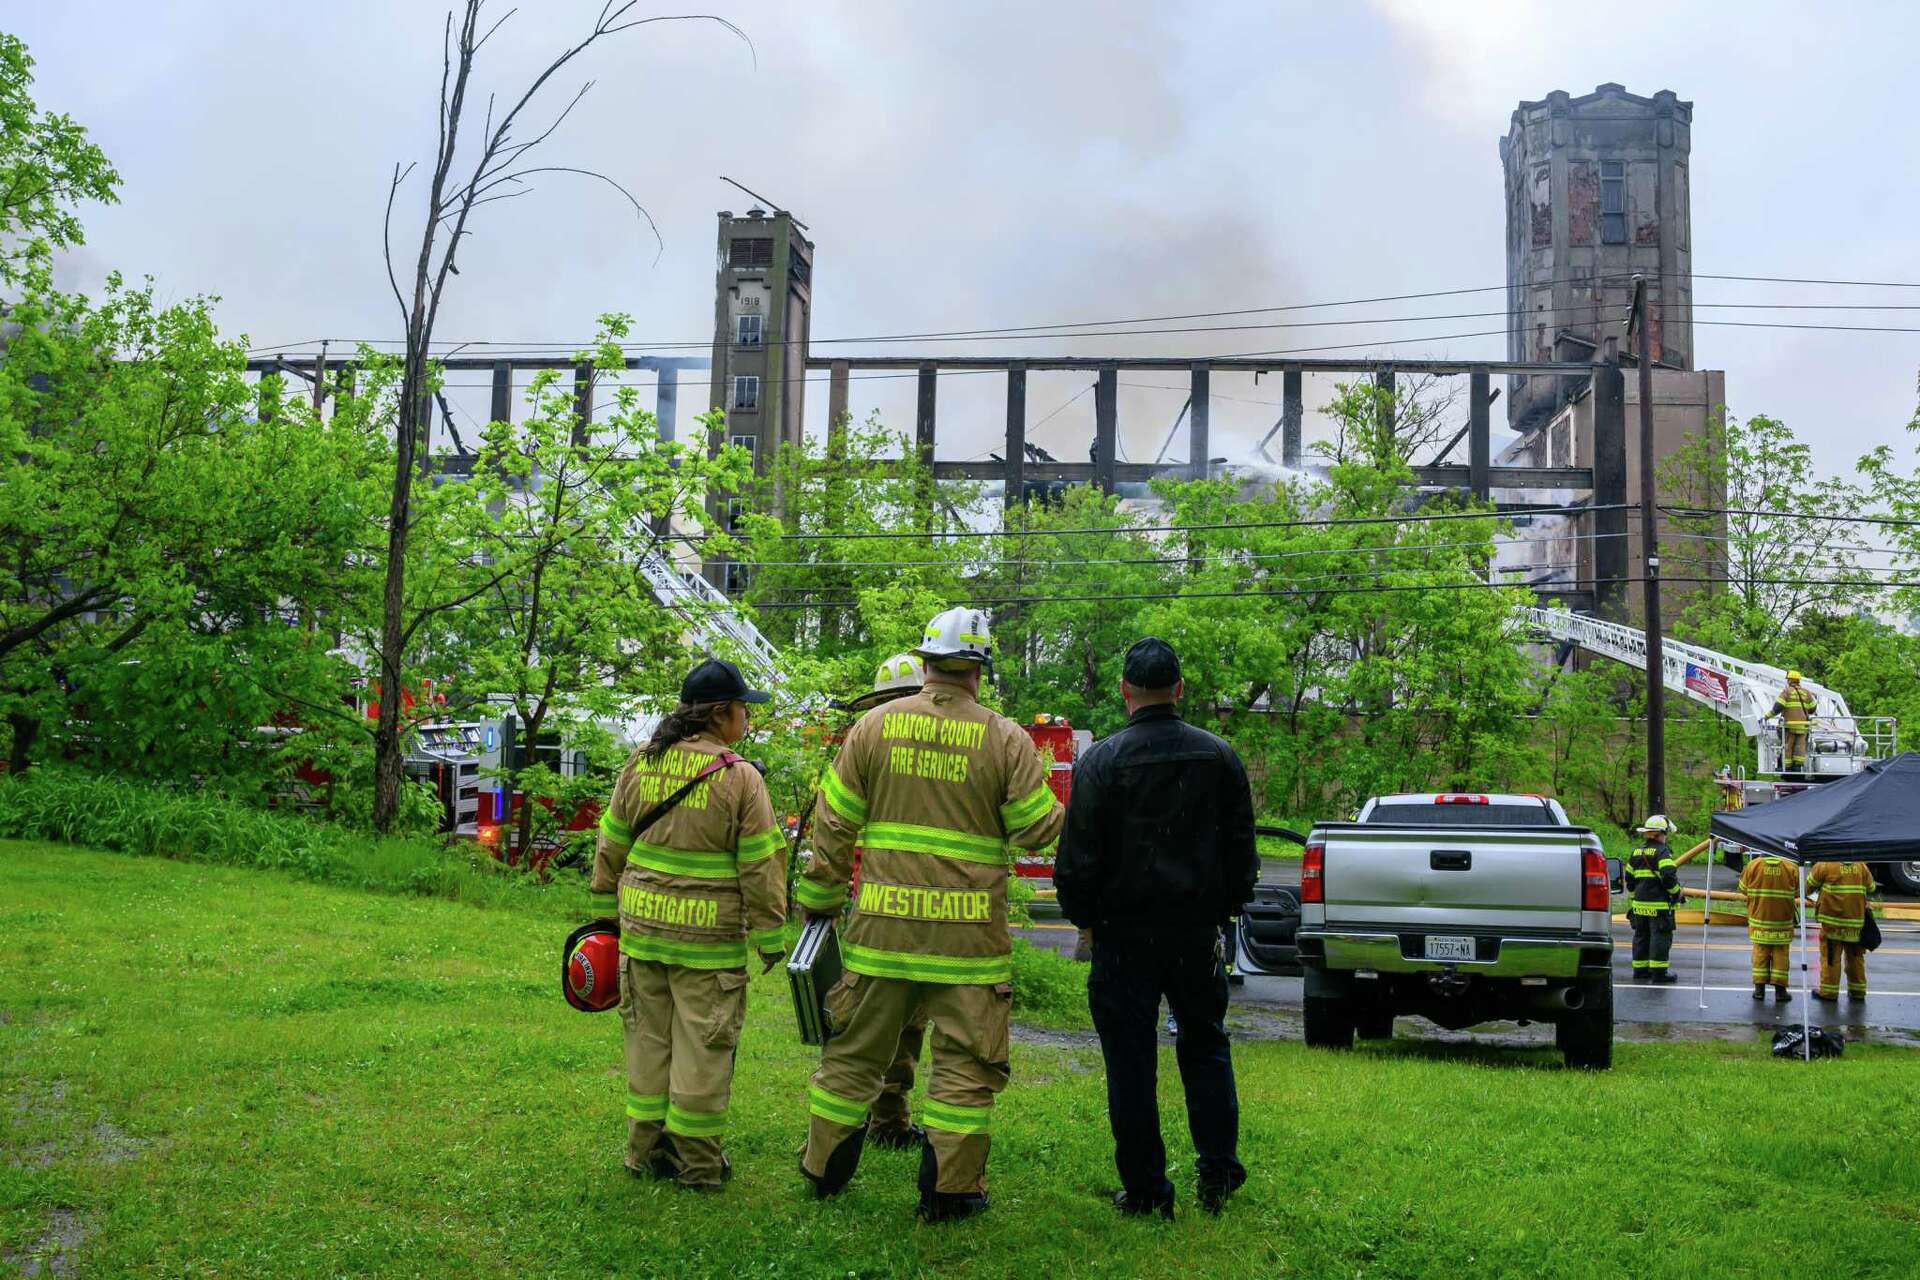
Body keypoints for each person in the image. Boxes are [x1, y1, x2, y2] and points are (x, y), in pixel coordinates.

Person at [797, 607, 1065, 1222]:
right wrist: (1064, 815)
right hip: (968, 944)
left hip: (881, 935)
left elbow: (834, 820)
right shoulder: (1004, 738)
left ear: (924, 663)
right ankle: (950, 1193)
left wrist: (820, 900)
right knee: (966, 1067)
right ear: (979, 670)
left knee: (854, 1055)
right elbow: (1033, 831)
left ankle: (822, 1169)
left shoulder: (873, 727)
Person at [1053, 637, 1259, 1219]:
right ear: (1180, 689)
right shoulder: (1219, 757)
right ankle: (1217, 1171)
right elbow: (1242, 850)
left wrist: (1086, 920)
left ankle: (1146, 1191)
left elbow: (1076, 861)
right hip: (1196, 932)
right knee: (1206, 1045)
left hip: (1122, 937)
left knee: (1130, 1060)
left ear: (1125, 693)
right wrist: (1226, 909)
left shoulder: (1104, 762)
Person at [588, 658, 786, 1190]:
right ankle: (696, 1165)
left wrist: (608, 906)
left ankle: (643, 1152)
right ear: (720, 714)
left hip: (644, 935)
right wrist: (771, 939)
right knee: (703, 1051)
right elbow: (762, 865)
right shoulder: (739, 777)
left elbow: (612, 840)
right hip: (709, 947)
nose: (747, 718)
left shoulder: (641, 763)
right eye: (744, 708)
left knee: (648, 1045)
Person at [842, 652, 933, 1152]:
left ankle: (885, 1118)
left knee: (889, 1017)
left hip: (876, 903)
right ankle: (878, 1118)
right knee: (891, 1018)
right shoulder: (882, 741)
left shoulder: (867, 739)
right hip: (915, 905)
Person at [1807, 860, 1874, 1002]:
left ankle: (1829, 993)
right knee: (1856, 958)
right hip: (1856, 923)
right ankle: (1858, 992)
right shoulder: (1861, 866)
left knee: (1831, 959)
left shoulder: (1824, 865)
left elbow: (1807, 887)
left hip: (1832, 924)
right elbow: (1871, 887)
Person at [1736, 847, 1797, 1003]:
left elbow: (1743, 889)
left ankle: (1759, 991)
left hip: (1759, 922)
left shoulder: (1753, 866)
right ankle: (1780, 992)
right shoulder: (1791, 867)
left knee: (1760, 955)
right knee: (1781, 956)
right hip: (1782, 923)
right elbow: (1799, 892)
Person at [1625, 815, 1681, 984]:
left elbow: (1629, 880)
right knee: (1660, 937)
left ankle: (1640, 971)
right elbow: (1669, 876)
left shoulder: (1636, 851)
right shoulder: (1662, 852)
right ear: (1660, 834)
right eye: (1665, 834)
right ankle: (1659, 973)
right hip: (1658, 905)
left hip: (1639, 906)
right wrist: (1676, 892)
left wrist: (1636, 899)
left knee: (1641, 936)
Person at [1768, 671, 1819, 776]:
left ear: (1790, 680)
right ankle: (1797, 768)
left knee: (1787, 746)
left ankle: (1787, 769)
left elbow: (1778, 707)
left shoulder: (1787, 692)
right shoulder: (1807, 693)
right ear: (1798, 680)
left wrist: (1766, 716)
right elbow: (1813, 708)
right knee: (1800, 747)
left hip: (1789, 726)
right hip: (1803, 727)